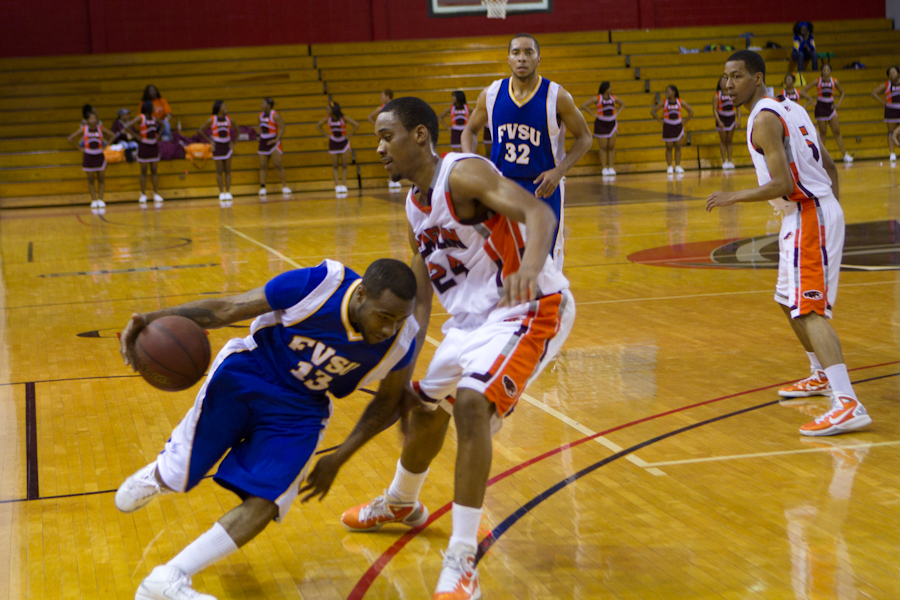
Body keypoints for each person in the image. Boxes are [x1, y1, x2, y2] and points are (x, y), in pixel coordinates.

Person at [304, 97, 575, 600]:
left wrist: (530, 267)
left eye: (387, 137)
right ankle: (401, 501)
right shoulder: (414, 205)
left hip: (529, 306)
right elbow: (423, 289)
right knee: (423, 408)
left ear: (420, 136)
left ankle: (462, 558)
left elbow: (538, 213)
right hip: (469, 323)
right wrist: (406, 352)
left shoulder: (464, 174)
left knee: (471, 404)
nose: (379, 148)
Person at [114, 258, 420, 600]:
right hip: (248, 373)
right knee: (178, 474)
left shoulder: (401, 342)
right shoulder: (319, 285)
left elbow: (386, 402)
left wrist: (338, 458)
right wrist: (150, 319)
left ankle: (167, 578)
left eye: (400, 319)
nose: (389, 329)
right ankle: (160, 475)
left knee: (269, 501)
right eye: (384, 317)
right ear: (361, 294)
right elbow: (228, 308)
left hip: (301, 408)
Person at [707, 50, 872, 437]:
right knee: (787, 299)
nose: (728, 85)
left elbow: (783, 183)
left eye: (736, 76)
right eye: (725, 78)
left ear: (757, 78)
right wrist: (831, 211)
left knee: (810, 310)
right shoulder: (791, 107)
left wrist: (733, 196)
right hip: (808, 213)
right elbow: (829, 165)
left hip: (808, 214)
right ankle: (821, 374)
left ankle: (847, 402)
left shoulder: (764, 119)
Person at [461, 33, 593, 270]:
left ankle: (547, 294)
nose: (522, 58)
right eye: (516, 53)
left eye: (528, 52)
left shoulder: (557, 96)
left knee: (545, 261)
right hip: (501, 187)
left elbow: (585, 137)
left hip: (543, 187)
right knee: (501, 259)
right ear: (508, 58)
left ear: (538, 59)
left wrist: (559, 171)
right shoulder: (491, 94)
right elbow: (469, 130)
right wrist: (471, 162)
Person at [67, 104, 114, 210]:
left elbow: (113, 135)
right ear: (87, 120)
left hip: (99, 155)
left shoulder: (100, 128)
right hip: (88, 156)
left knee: (101, 178)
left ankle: (100, 199)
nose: (93, 120)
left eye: (95, 118)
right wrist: (79, 148)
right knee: (91, 179)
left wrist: (106, 145)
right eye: (91, 118)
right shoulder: (84, 129)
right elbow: (70, 138)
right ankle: (94, 200)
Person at [803, 64, 852, 163]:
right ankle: (822, 157)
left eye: (828, 70)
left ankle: (845, 154)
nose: (826, 72)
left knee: (836, 132)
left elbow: (842, 92)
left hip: (831, 108)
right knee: (823, 133)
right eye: (824, 70)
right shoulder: (818, 80)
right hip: (820, 108)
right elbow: (804, 90)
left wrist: (838, 104)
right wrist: (810, 100)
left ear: (830, 71)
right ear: (821, 71)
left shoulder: (834, 81)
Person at [124, 101, 164, 205]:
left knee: (154, 170)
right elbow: (127, 126)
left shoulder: (154, 118)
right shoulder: (140, 117)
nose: (155, 108)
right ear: (148, 108)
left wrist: (158, 135)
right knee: (143, 170)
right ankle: (143, 194)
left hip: (153, 145)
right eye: (153, 106)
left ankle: (156, 193)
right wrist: (137, 137)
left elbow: (163, 125)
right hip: (144, 146)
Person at [580, 81, 624, 176]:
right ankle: (604, 168)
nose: (611, 89)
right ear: (605, 89)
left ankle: (611, 167)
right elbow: (583, 105)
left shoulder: (613, 98)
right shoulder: (597, 98)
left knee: (611, 146)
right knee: (603, 147)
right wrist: (593, 114)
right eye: (609, 87)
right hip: (601, 124)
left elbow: (622, 104)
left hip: (612, 124)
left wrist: (618, 112)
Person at [316, 102, 359, 195]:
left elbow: (356, 125)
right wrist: (326, 134)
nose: (326, 111)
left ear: (333, 110)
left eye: (328, 109)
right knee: (335, 165)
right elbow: (318, 125)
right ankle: (337, 185)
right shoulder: (328, 118)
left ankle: (344, 185)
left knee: (344, 164)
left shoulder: (343, 118)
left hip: (343, 142)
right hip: (333, 142)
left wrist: (350, 134)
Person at [198, 100, 236, 201]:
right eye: (224, 106)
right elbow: (201, 130)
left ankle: (228, 192)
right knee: (219, 171)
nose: (226, 108)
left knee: (228, 170)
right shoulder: (212, 119)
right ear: (218, 108)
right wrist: (210, 142)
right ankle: (221, 192)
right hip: (217, 146)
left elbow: (238, 130)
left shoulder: (229, 119)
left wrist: (234, 142)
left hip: (227, 146)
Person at [651, 85, 694, 175]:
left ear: (674, 92)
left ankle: (678, 166)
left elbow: (691, 111)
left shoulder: (680, 101)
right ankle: (669, 166)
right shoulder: (664, 102)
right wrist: (660, 121)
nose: (666, 92)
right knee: (669, 147)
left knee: (678, 147)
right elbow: (653, 111)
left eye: (668, 91)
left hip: (678, 126)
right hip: (668, 126)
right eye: (666, 91)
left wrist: (685, 121)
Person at [368, 89, 402, 189]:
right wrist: (378, 128)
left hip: (395, 134)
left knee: (397, 156)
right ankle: (392, 179)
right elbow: (370, 117)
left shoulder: (396, 107)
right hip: (387, 136)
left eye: (382, 95)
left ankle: (397, 179)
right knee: (389, 156)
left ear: (387, 96)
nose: (381, 97)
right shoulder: (381, 108)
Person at [257, 97, 291, 197]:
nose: (262, 105)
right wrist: (258, 135)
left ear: (269, 105)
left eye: (263, 104)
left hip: (273, 141)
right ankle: (263, 187)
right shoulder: (260, 115)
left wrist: (276, 140)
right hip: (263, 142)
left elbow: (282, 128)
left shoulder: (275, 115)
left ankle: (284, 186)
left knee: (278, 164)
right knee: (263, 165)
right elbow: (259, 126)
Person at [871, 66, 900, 162]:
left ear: (898, 73)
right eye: (890, 73)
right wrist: (883, 101)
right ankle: (892, 153)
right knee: (891, 132)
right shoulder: (887, 84)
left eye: (894, 72)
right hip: (891, 110)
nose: (892, 75)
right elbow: (874, 93)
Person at [713, 77, 740, 170]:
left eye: (725, 81)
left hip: (731, 119)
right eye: (721, 82)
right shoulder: (717, 95)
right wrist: (719, 121)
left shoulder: (732, 94)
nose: (723, 83)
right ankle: (724, 161)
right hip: (722, 120)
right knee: (723, 141)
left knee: (729, 140)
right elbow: (715, 110)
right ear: (719, 84)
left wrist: (739, 120)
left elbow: (738, 107)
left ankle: (730, 161)